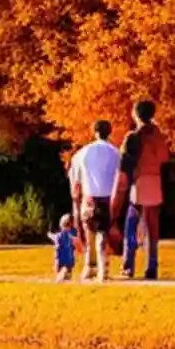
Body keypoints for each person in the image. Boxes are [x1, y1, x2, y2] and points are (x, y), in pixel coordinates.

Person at [119, 99, 171, 280]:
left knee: (131, 225)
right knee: (153, 228)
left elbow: (125, 162)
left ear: (136, 114)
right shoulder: (159, 136)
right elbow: (165, 158)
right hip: (155, 181)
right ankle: (152, 266)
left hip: (139, 182)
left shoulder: (133, 137)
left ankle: (128, 265)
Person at [68, 120, 121, 282]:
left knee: (89, 233)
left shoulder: (82, 153)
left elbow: (74, 179)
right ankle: (103, 266)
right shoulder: (116, 153)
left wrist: (75, 198)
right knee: (103, 234)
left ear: (94, 132)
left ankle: (90, 266)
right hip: (108, 197)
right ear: (110, 132)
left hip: (89, 197)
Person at [49, 213, 81, 282]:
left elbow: (57, 248)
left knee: (60, 276)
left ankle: (60, 279)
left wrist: (56, 259)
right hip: (70, 260)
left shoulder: (59, 236)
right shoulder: (73, 234)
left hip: (61, 260)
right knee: (68, 277)